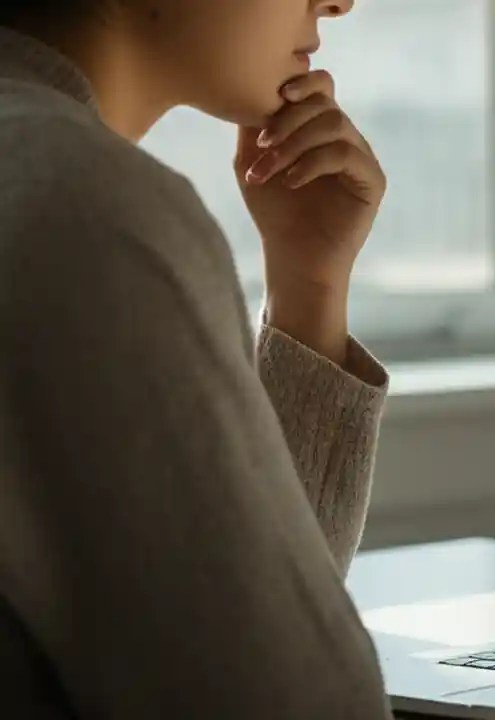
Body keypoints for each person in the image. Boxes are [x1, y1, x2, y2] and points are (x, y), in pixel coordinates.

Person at [0, 0, 396, 717]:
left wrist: (309, 285)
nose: (342, 1)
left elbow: (247, 610)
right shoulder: (83, 204)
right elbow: (287, 700)